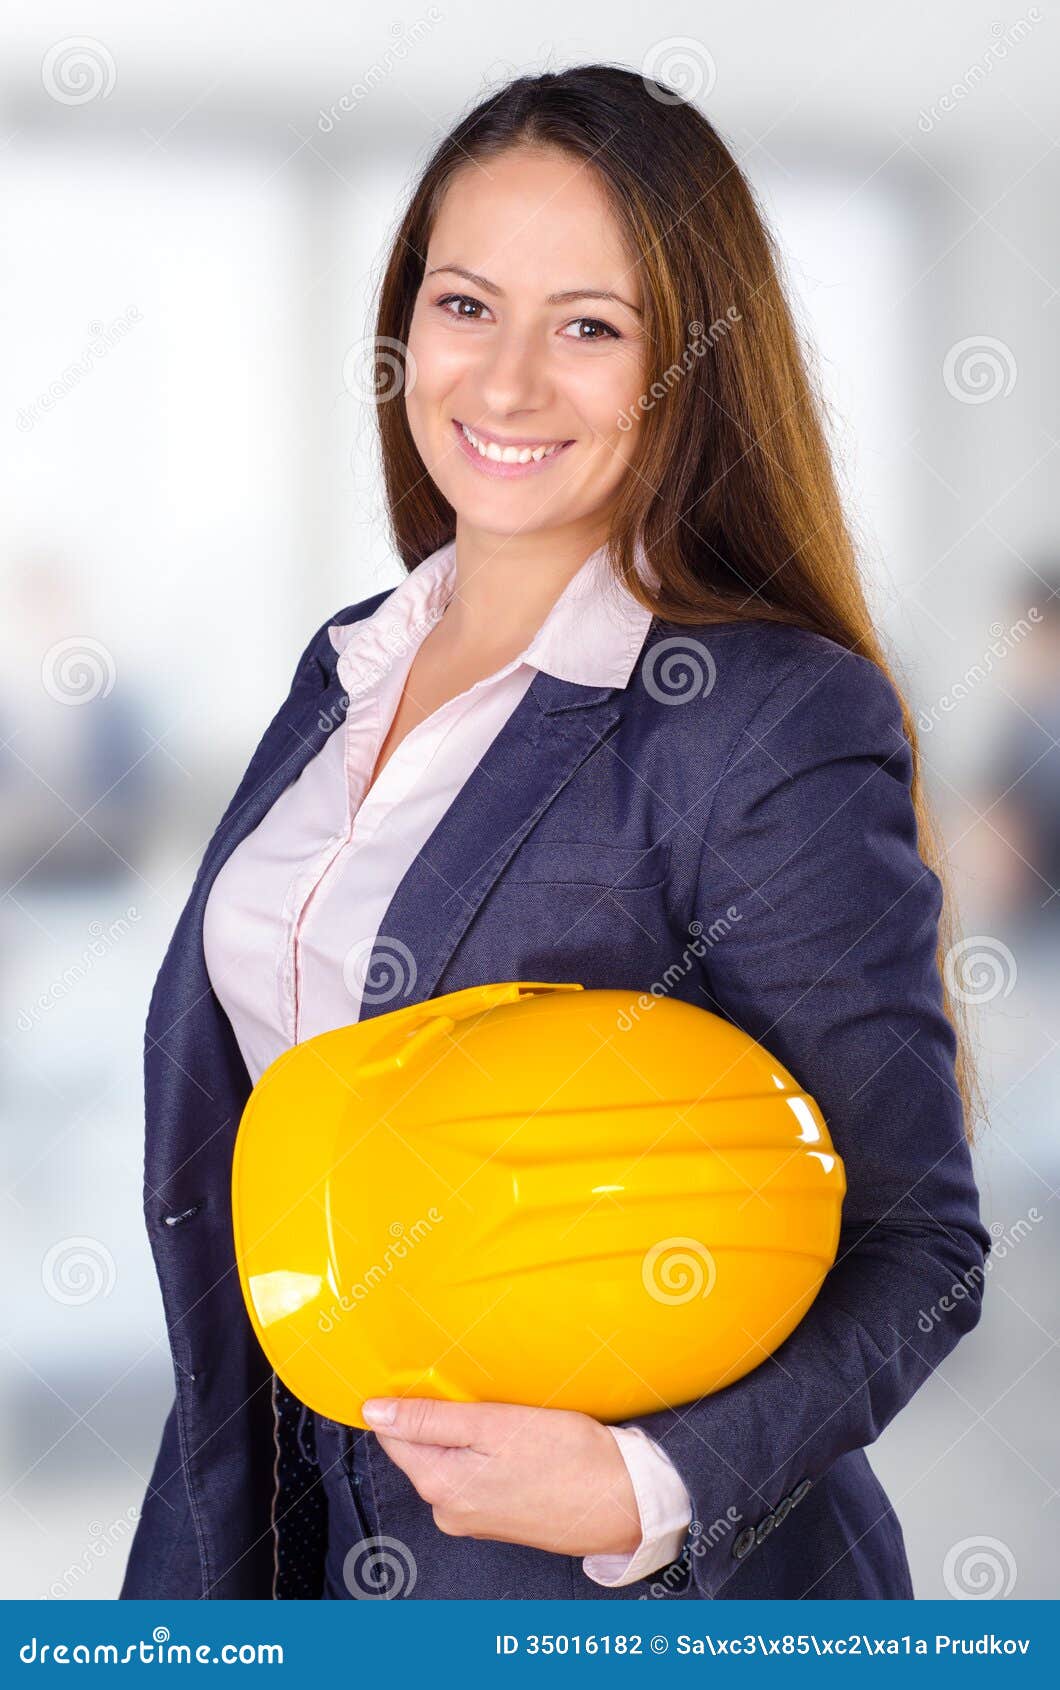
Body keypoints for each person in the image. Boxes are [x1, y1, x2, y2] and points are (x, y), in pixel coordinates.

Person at [120, 63, 990, 1602]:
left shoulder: (760, 716)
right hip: (274, 1541)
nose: (508, 381)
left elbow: (922, 1244)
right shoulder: (344, 665)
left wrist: (642, 1483)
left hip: (623, 1599)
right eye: (467, 306)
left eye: (591, 327)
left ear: (690, 369)